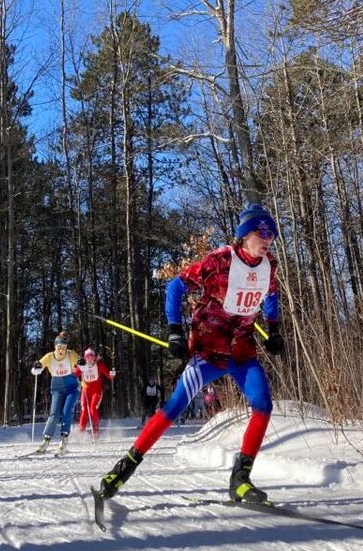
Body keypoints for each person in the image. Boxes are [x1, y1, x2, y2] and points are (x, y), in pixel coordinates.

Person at [93, 203, 285, 506]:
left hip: (242, 352)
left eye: (272, 234)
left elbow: (271, 293)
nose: (269, 238)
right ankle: (122, 470)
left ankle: (240, 481)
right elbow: (175, 286)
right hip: (209, 351)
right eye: (263, 232)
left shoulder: (269, 265)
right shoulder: (219, 261)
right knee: (174, 407)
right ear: (245, 234)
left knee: (263, 405)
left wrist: (273, 329)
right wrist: (175, 331)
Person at [32, 332, 80, 454]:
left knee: (66, 412)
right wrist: (36, 367)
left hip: (72, 388)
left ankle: (64, 440)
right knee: (54, 415)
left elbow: (83, 365)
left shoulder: (71, 354)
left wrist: (82, 363)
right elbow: (36, 370)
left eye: (64, 347)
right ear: (55, 347)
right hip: (57, 389)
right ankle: (46, 440)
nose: (61, 350)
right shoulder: (49, 357)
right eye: (59, 347)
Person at [74, 348, 115, 438]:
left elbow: (109, 375)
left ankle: (96, 429)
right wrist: (77, 366)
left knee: (93, 408)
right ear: (85, 358)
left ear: (94, 358)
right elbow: (73, 375)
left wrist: (112, 374)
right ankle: (82, 430)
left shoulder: (99, 365)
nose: (90, 360)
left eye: (91, 357)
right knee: (84, 410)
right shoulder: (82, 366)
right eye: (87, 358)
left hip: (96, 390)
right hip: (85, 390)